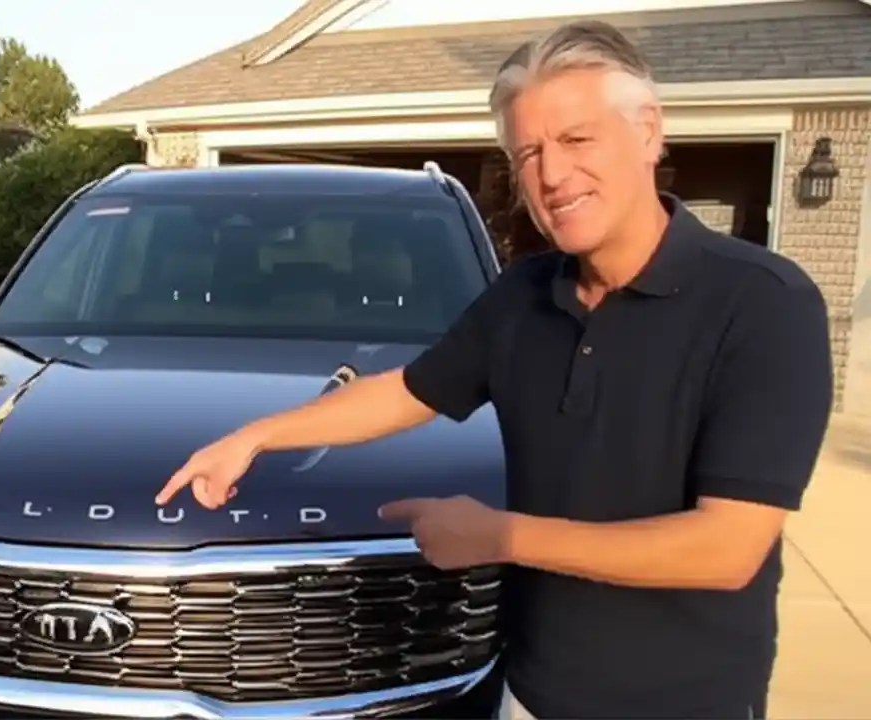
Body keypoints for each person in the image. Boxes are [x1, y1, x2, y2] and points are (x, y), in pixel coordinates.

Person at [154, 19, 833, 720]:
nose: (551, 174)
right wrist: (256, 437)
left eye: (576, 139)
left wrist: (498, 536)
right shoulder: (522, 296)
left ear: (649, 133)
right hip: (530, 695)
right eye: (528, 152)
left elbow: (724, 548)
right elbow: (409, 392)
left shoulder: (765, 304)